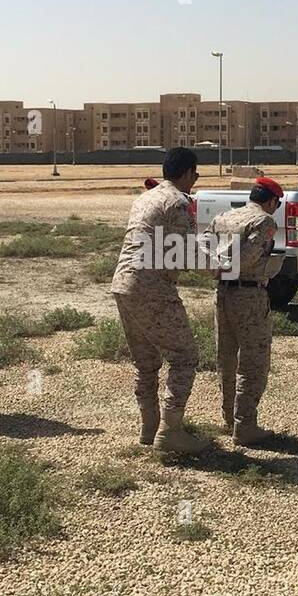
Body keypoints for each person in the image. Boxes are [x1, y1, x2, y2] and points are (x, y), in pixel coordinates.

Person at [110, 147, 207, 452]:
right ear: (188, 173)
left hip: (123, 283)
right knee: (185, 356)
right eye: (196, 175)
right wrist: (224, 264)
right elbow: (189, 254)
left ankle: (149, 428)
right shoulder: (178, 202)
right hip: (151, 287)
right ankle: (171, 432)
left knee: (146, 361)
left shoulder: (145, 198)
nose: (195, 180)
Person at [209, 177, 283, 444]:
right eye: (277, 203)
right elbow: (246, 258)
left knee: (226, 357)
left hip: (222, 293)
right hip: (250, 294)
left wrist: (219, 269)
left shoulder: (223, 217)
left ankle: (229, 417)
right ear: (272, 200)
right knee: (254, 360)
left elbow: (207, 250)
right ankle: (245, 425)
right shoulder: (264, 222)